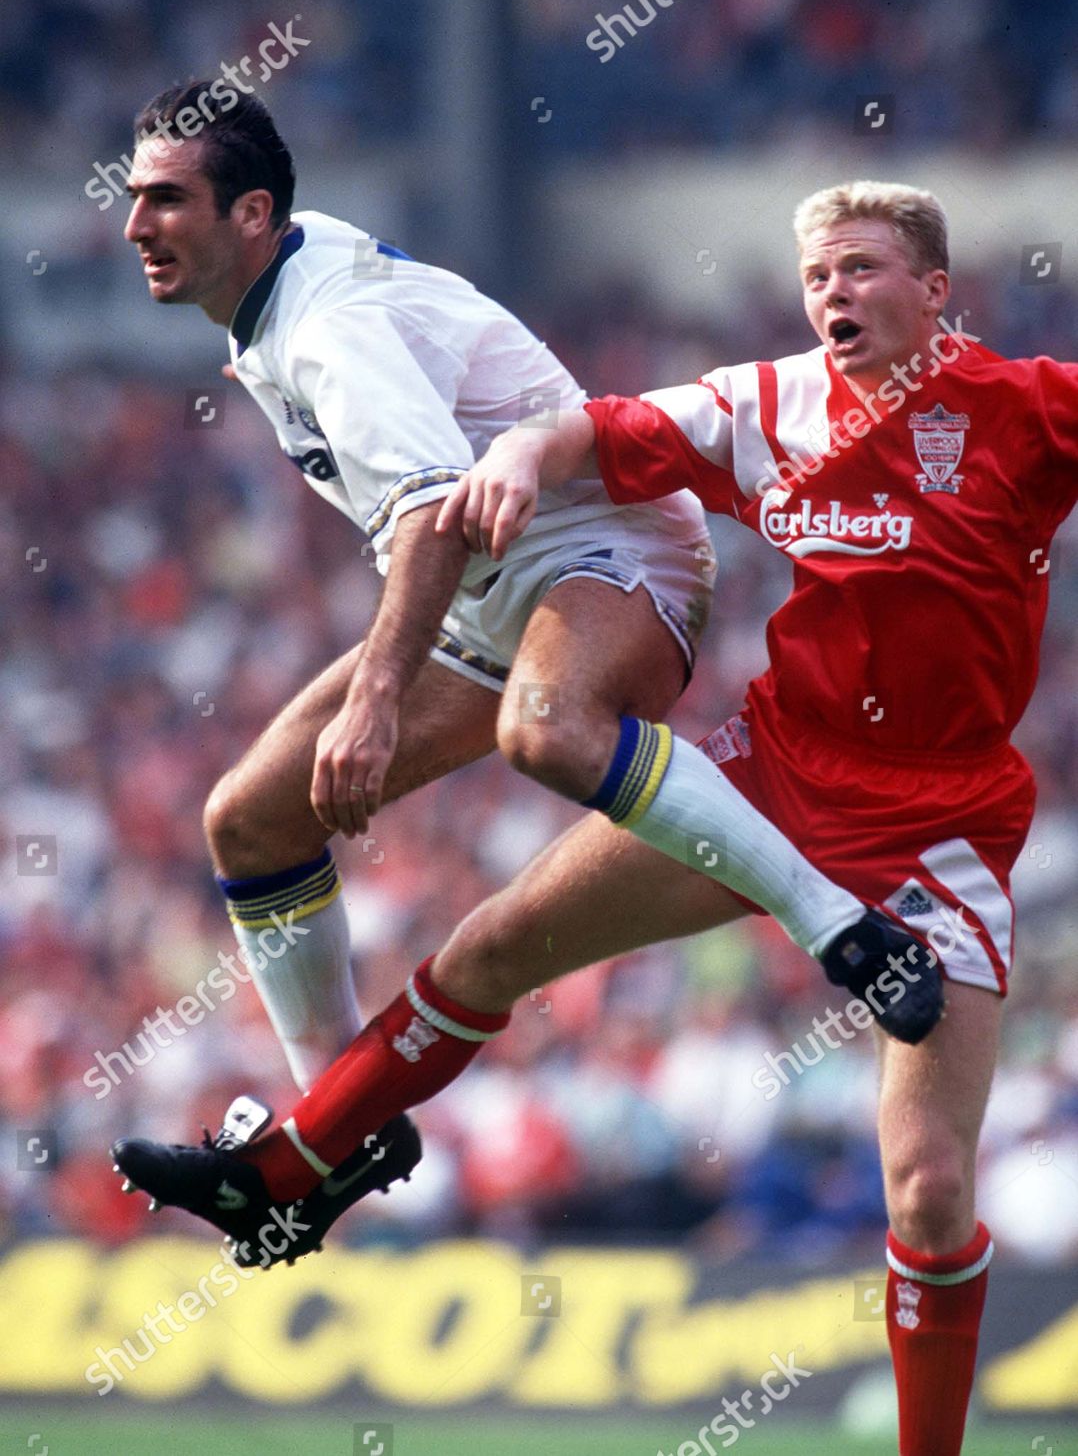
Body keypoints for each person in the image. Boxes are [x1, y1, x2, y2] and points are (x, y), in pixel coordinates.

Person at [116, 179, 1076, 1456]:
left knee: (934, 1190)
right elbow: (601, 428)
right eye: (816, 278)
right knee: (486, 949)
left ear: (935, 290)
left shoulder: (1027, 409)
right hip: (775, 779)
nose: (832, 296)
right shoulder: (775, 404)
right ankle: (288, 1174)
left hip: (944, 825)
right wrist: (515, 453)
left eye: (859, 270)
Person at [113, 93, 935, 1217]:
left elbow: (430, 514)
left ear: (253, 212)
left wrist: (377, 703)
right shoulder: (277, 292)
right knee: (249, 820)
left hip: (613, 559)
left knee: (545, 732)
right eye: (132, 198)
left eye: (164, 198)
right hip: (490, 592)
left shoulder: (325, 327)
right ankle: (333, 1136)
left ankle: (841, 929)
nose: (134, 225)